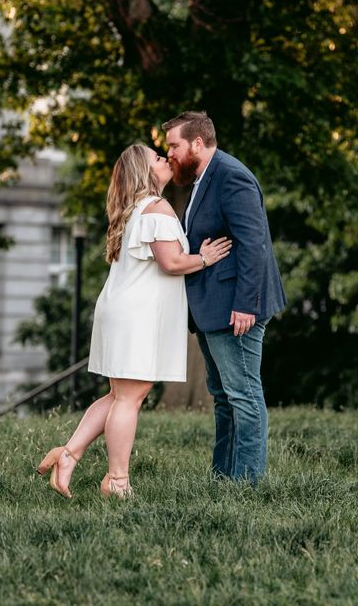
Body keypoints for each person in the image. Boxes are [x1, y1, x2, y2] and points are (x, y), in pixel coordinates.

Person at [35, 143, 232, 498]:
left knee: (119, 395)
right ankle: (117, 480)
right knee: (129, 399)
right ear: (145, 172)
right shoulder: (157, 207)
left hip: (122, 310)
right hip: (136, 316)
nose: (165, 158)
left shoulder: (134, 210)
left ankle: (68, 455)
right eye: (157, 158)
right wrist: (203, 258)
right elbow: (171, 262)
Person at [162, 111, 286, 484]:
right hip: (212, 309)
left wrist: (246, 304)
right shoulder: (202, 178)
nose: (169, 153)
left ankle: (247, 485)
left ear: (197, 143)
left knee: (243, 395)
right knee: (223, 397)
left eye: (174, 145)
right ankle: (224, 480)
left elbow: (254, 243)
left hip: (236, 309)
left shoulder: (231, 176)